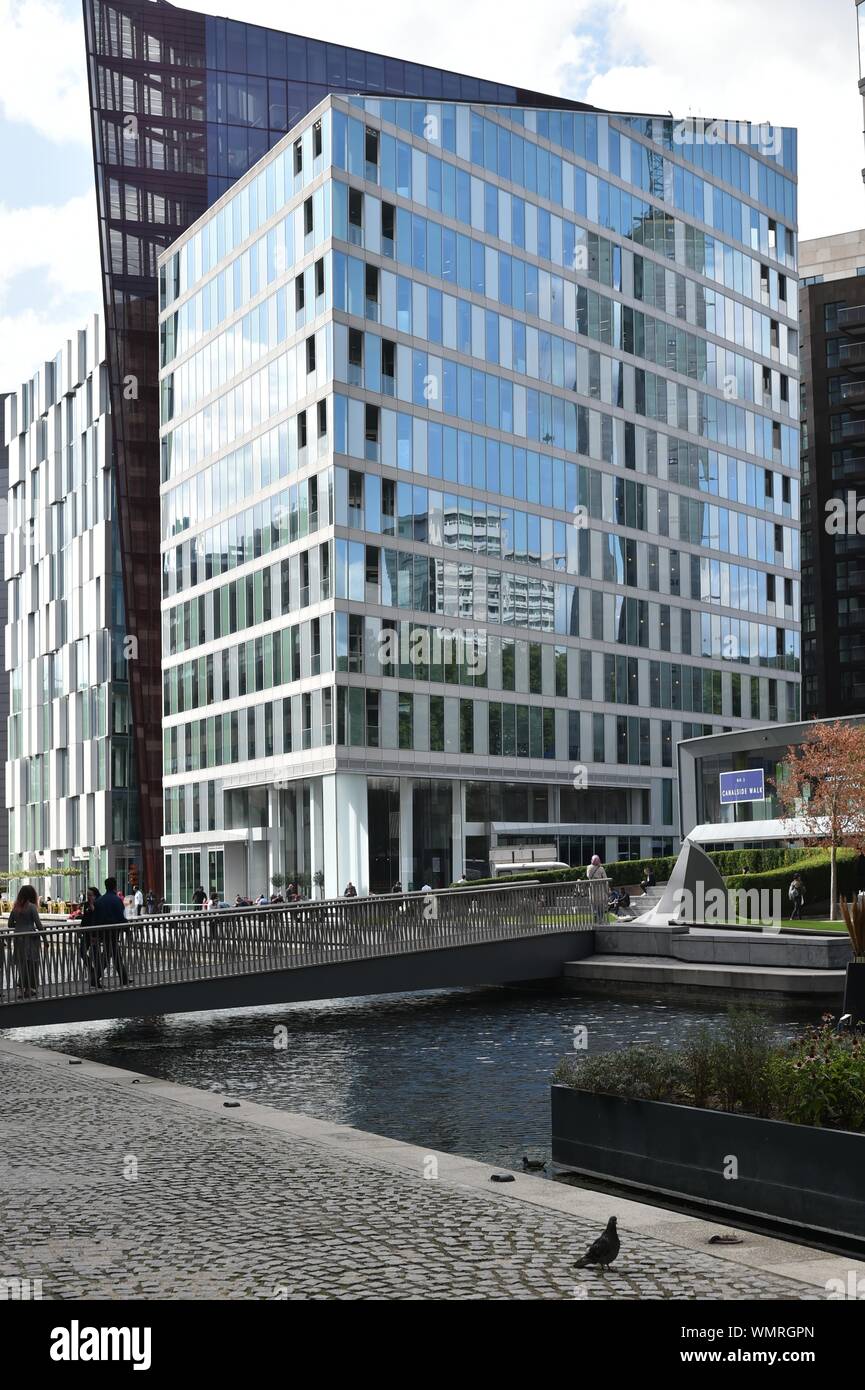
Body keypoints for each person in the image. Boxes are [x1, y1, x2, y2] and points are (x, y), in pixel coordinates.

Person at [92, 876, 131, 985]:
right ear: (115, 886)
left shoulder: (99, 901)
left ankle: (124, 978)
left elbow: (95, 918)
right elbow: (121, 917)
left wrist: (94, 934)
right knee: (109, 954)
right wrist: (127, 930)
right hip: (114, 931)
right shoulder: (117, 900)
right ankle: (95, 978)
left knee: (113, 953)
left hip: (102, 932)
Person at [9, 885, 45, 998]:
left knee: (22, 964)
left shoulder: (16, 907)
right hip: (30, 939)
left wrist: (19, 926)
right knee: (31, 963)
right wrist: (45, 940)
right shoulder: (32, 907)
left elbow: (10, 924)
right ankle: (29, 989)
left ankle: (21, 989)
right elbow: (39, 925)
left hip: (18, 938)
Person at [78, 886, 105, 988]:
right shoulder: (86, 905)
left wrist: (93, 908)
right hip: (86, 933)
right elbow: (85, 918)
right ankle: (91, 969)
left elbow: (98, 918)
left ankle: (96, 979)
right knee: (82, 952)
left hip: (94, 934)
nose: (88, 897)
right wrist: (80, 929)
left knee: (96, 954)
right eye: (87, 895)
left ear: (95, 895)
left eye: (90, 895)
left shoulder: (98, 904)